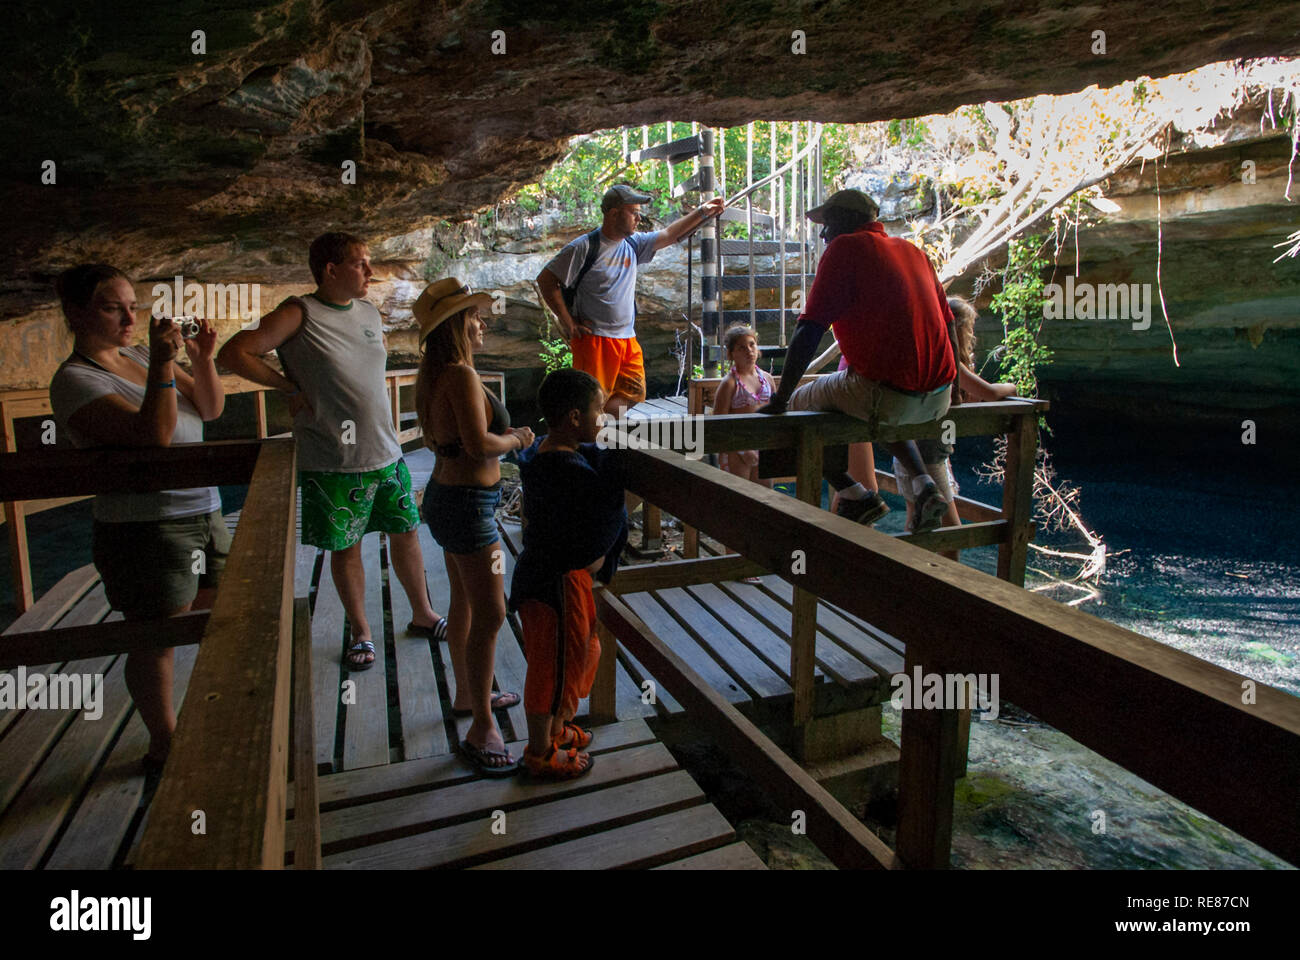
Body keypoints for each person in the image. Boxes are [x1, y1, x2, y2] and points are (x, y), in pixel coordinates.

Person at [217, 232, 446, 673]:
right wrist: (287, 386)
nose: (370, 272)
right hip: (334, 461)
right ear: (331, 270)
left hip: (386, 450)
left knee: (407, 533)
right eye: (361, 263)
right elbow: (235, 352)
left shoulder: (367, 311)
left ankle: (423, 614)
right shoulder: (298, 312)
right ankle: (362, 632)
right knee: (347, 548)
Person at [48, 264, 227, 780]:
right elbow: (155, 434)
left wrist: (203, 359)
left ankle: (203, 717)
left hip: (203, 510)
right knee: (157, 636)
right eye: (112, 307)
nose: (130, 317)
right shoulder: (76, 380)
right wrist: (164, 368)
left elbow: (211, 409)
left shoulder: (144, 355)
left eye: (133, 305)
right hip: (145, 526)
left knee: (218, 616)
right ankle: (165, 744)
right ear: (77, 313)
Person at [759, 189, 958, 534]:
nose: (823, 234)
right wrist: (954, 387)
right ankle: (924, 484)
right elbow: (950, 324)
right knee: (872, 394)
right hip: (937, 399)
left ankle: (854, 493)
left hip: (886, 397)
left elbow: (809, 331)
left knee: (800, 404)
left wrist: (779, 400)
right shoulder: (913, 251)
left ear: (849, 222)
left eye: (828, 224)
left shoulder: (846, 249)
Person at [412, 277, 535, 776]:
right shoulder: (459, 374)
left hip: (449, 497)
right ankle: (482, 727)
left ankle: (469, 695)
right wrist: (518, 439)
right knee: (493, 613)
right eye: (474, 317)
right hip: (468, 506)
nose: (482, 322)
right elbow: (479, 444)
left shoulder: (433, 372)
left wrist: (494, 438)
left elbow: (447, 440)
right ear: (456, 326)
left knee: (464, 602)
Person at [510, 369, 629, 779]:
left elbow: (586, 466)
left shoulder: (548, 453)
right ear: (575, 417)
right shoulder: (563, 469)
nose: (605, 419)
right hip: (554, 583)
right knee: (554, 666)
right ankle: (540, 752)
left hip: (549, 578)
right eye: (599, 410)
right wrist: (617, 465)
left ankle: (558, 728)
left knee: (576, 653)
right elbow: (602, 509)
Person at [536, 184, 726, 417]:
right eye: (633, 212)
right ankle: (590, 441)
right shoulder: (584, 247)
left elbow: (668, 235)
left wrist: (702, 212)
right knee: (591, 400)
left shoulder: (633, 244)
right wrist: (568, 322)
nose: (638, 218)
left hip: (626, 338)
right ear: (614, 213)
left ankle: (600, 428)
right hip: (595, 340)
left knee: (635, 393)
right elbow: (546, 280)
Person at [892, 296, 1017, 557]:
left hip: (911, 452)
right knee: (952, 536)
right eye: (969, 328)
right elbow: (990, 393)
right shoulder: (947, 358)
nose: (971, 334)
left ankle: (909, 582)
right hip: (927, 458)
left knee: (917, 523)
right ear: (958, 328)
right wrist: (1013, 387)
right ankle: (944, 593)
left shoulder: (928, 356)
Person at [711, 324, 778, 486]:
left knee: (766, 498)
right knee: (739, 498)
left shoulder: (767, 379)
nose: (749, 350)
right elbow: (719, 423)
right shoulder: (730, 384)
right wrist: (742, 450)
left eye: (752, 344)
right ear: (731, 353)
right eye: (742, 347)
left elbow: (776, 415)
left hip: (763, 445)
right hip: (737, 446)